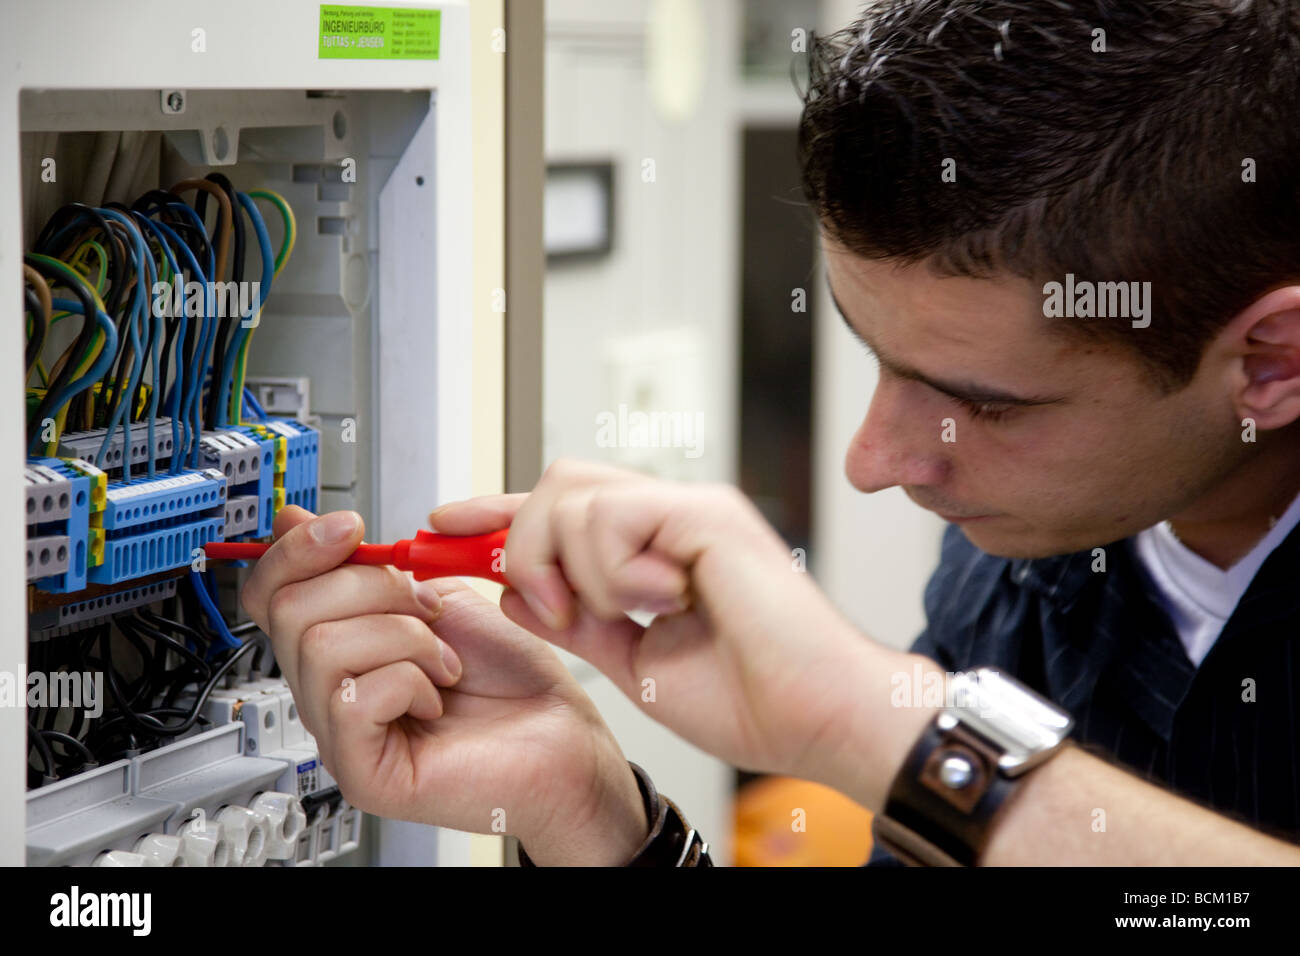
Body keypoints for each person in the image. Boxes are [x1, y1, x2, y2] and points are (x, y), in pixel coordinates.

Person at [238, 0, 1300, 865]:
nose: (872, 460)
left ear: (1271, 362)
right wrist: (591, 807)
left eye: (982, 402)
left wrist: (855, 719)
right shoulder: (1025, 568)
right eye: (871, 352)